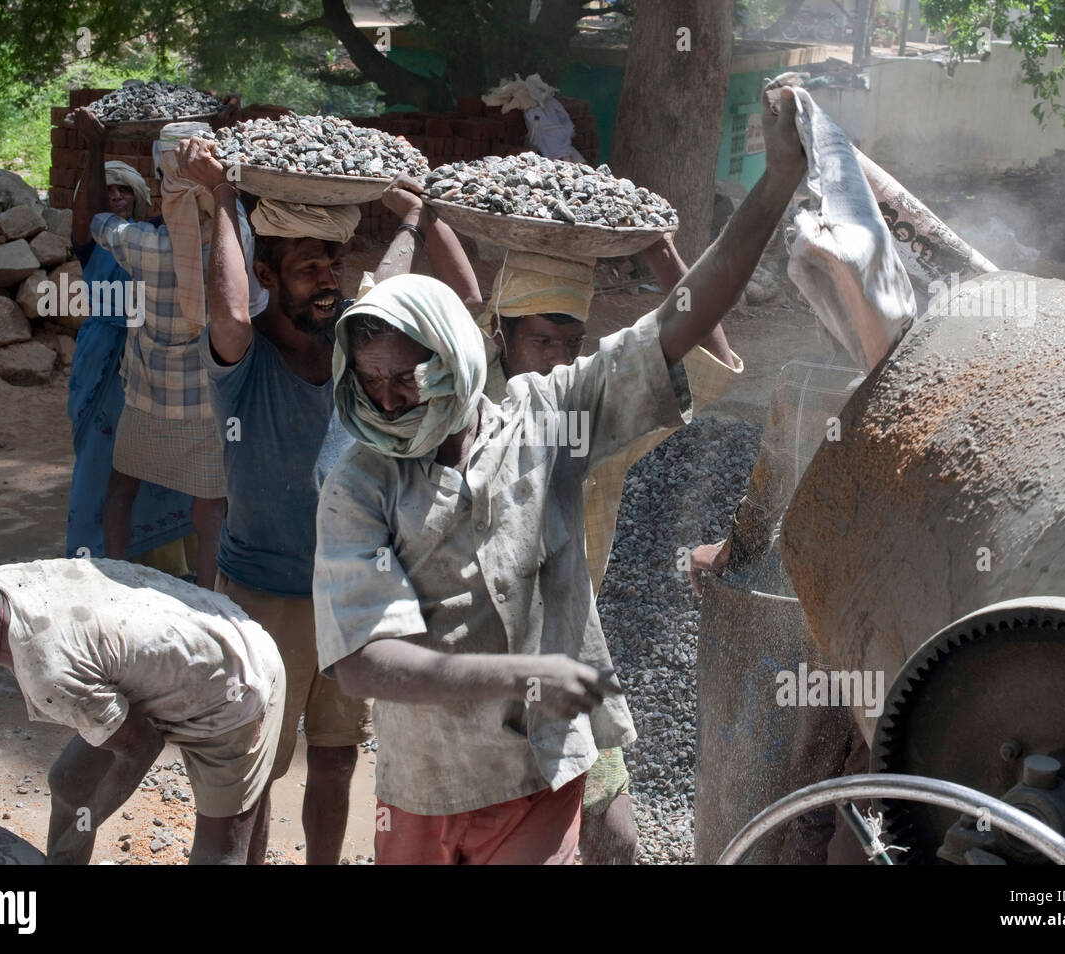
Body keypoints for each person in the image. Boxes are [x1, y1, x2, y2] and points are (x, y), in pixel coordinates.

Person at [311, 86, 806, 864]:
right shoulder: (362, 482)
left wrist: (776, 182)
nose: (390, 398)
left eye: (406, 378)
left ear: (458, 360)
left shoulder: (548, 420)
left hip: (542, 769)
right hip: (427, 780)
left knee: (615, 839)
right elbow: (363, 662)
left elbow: (681, 319)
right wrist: (519, 672)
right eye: (370, 383)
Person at [173, 140, 481, 864]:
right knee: (254, 772)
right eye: (308, 267)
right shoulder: (242, 366)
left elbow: (442, 299)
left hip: (352, 594)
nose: (327, 280)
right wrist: (221, 200)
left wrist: (413, 217)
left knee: (337, 760)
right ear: (265, 275)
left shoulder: (357, 358)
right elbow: (227, 313)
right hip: (264, 596)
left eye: (332, 265)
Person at [477, 238, 744, 863]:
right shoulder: (469, 410)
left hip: (568, 658)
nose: (557, 359)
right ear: (500, 336)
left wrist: (659, 250)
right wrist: (420, 219)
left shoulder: (592, 411)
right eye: (542, 341)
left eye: (571, 344)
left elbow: (712, 356)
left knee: (615, 839)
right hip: (476, 671)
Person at [0, 540, 284, 864]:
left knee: (220, 852)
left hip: (235, 680)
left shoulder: (49, 671)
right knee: (70, 782)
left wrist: (80, 830)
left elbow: (142, 747)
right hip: (167, 661)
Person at [72, 110, 267, 586]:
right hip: (205, 400)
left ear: (160, 183)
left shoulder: (141, 243)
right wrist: (222, 185)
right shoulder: (237, 240)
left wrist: (96, 147)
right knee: (210, 503)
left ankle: (115, 578)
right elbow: (239, 207)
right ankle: (209, 594)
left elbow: (94, 223)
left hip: (145, 396)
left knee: (121, 486)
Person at [66, 159, 196, 568]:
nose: (116, 198)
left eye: (124, 190)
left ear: (140, 198)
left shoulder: (152, 237)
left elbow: (187, 204)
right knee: (99, 459)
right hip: (99, 358)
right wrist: (93, 145)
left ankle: (161, 560)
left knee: (153, 456)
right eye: (108, 192)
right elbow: (86, 213)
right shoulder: (88, 242)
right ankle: (100, 558)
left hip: (147, 356)